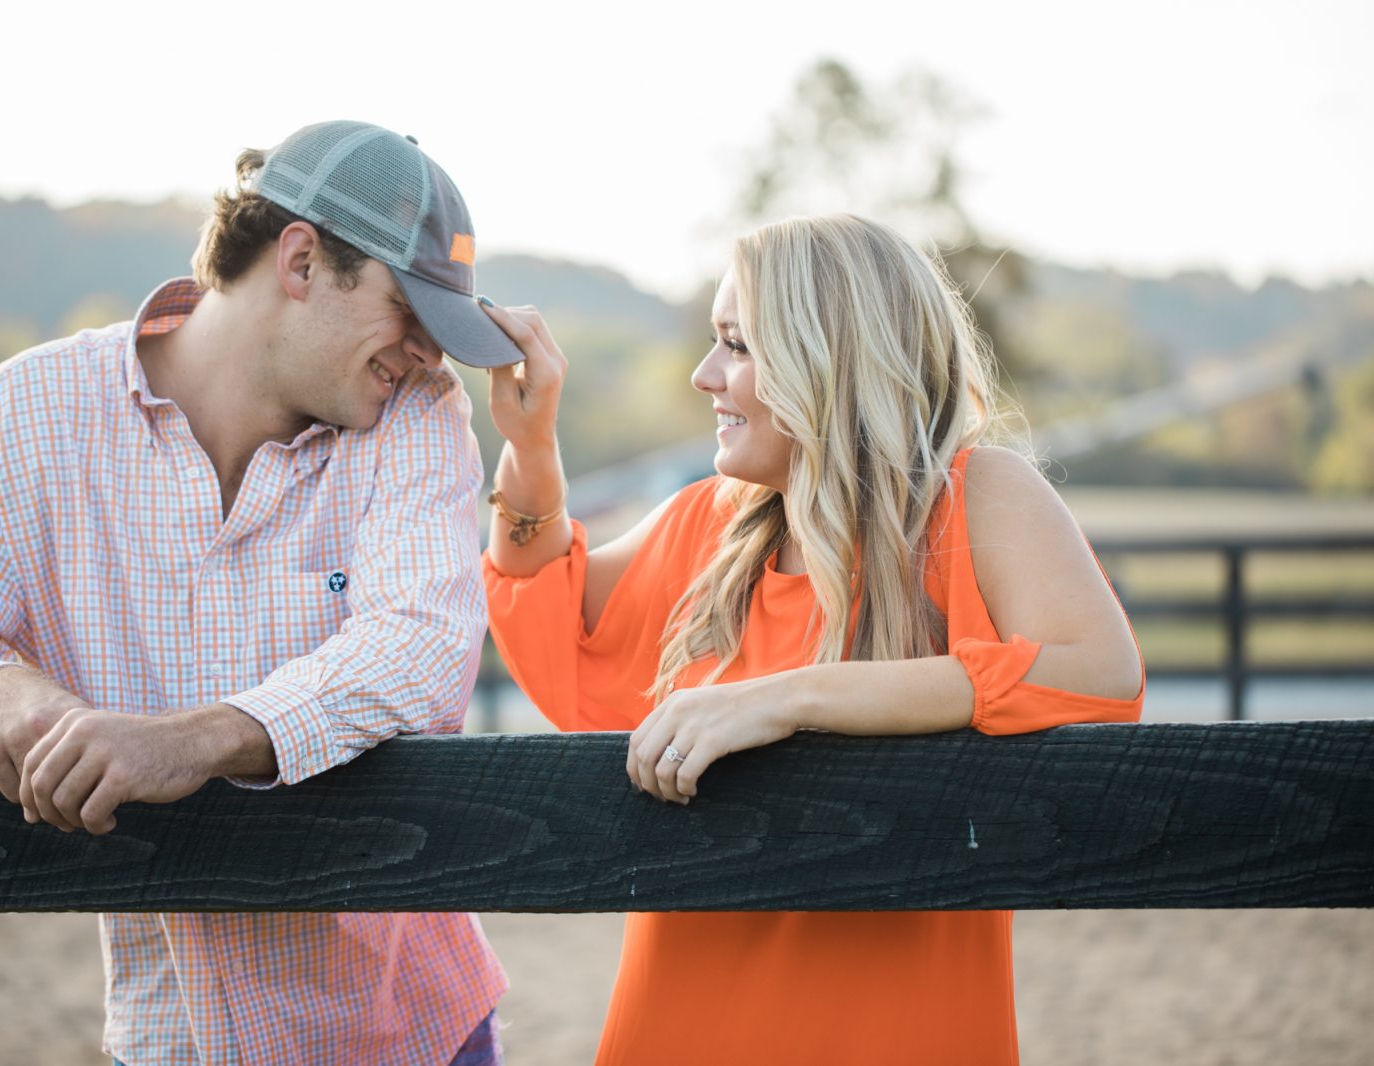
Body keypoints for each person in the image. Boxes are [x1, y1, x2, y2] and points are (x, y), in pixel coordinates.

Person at [0, 120, 523, 1066]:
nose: (429, 358)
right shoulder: (18, 421)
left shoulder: (415, 421)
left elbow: (423, 651)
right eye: (410, 315)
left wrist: (196, 740)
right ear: (303, 260)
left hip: (412, 1035)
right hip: (164, 1037)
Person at [478, 214, 1145, 1065]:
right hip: (682, 1031)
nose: (703, 374)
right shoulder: (709, 527)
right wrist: (530, 445)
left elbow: (1098, 678)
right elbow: (548, 602)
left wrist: (790, 700)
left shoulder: (978, 501)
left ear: (828, 359)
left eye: (737, 345)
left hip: (903, 1036)